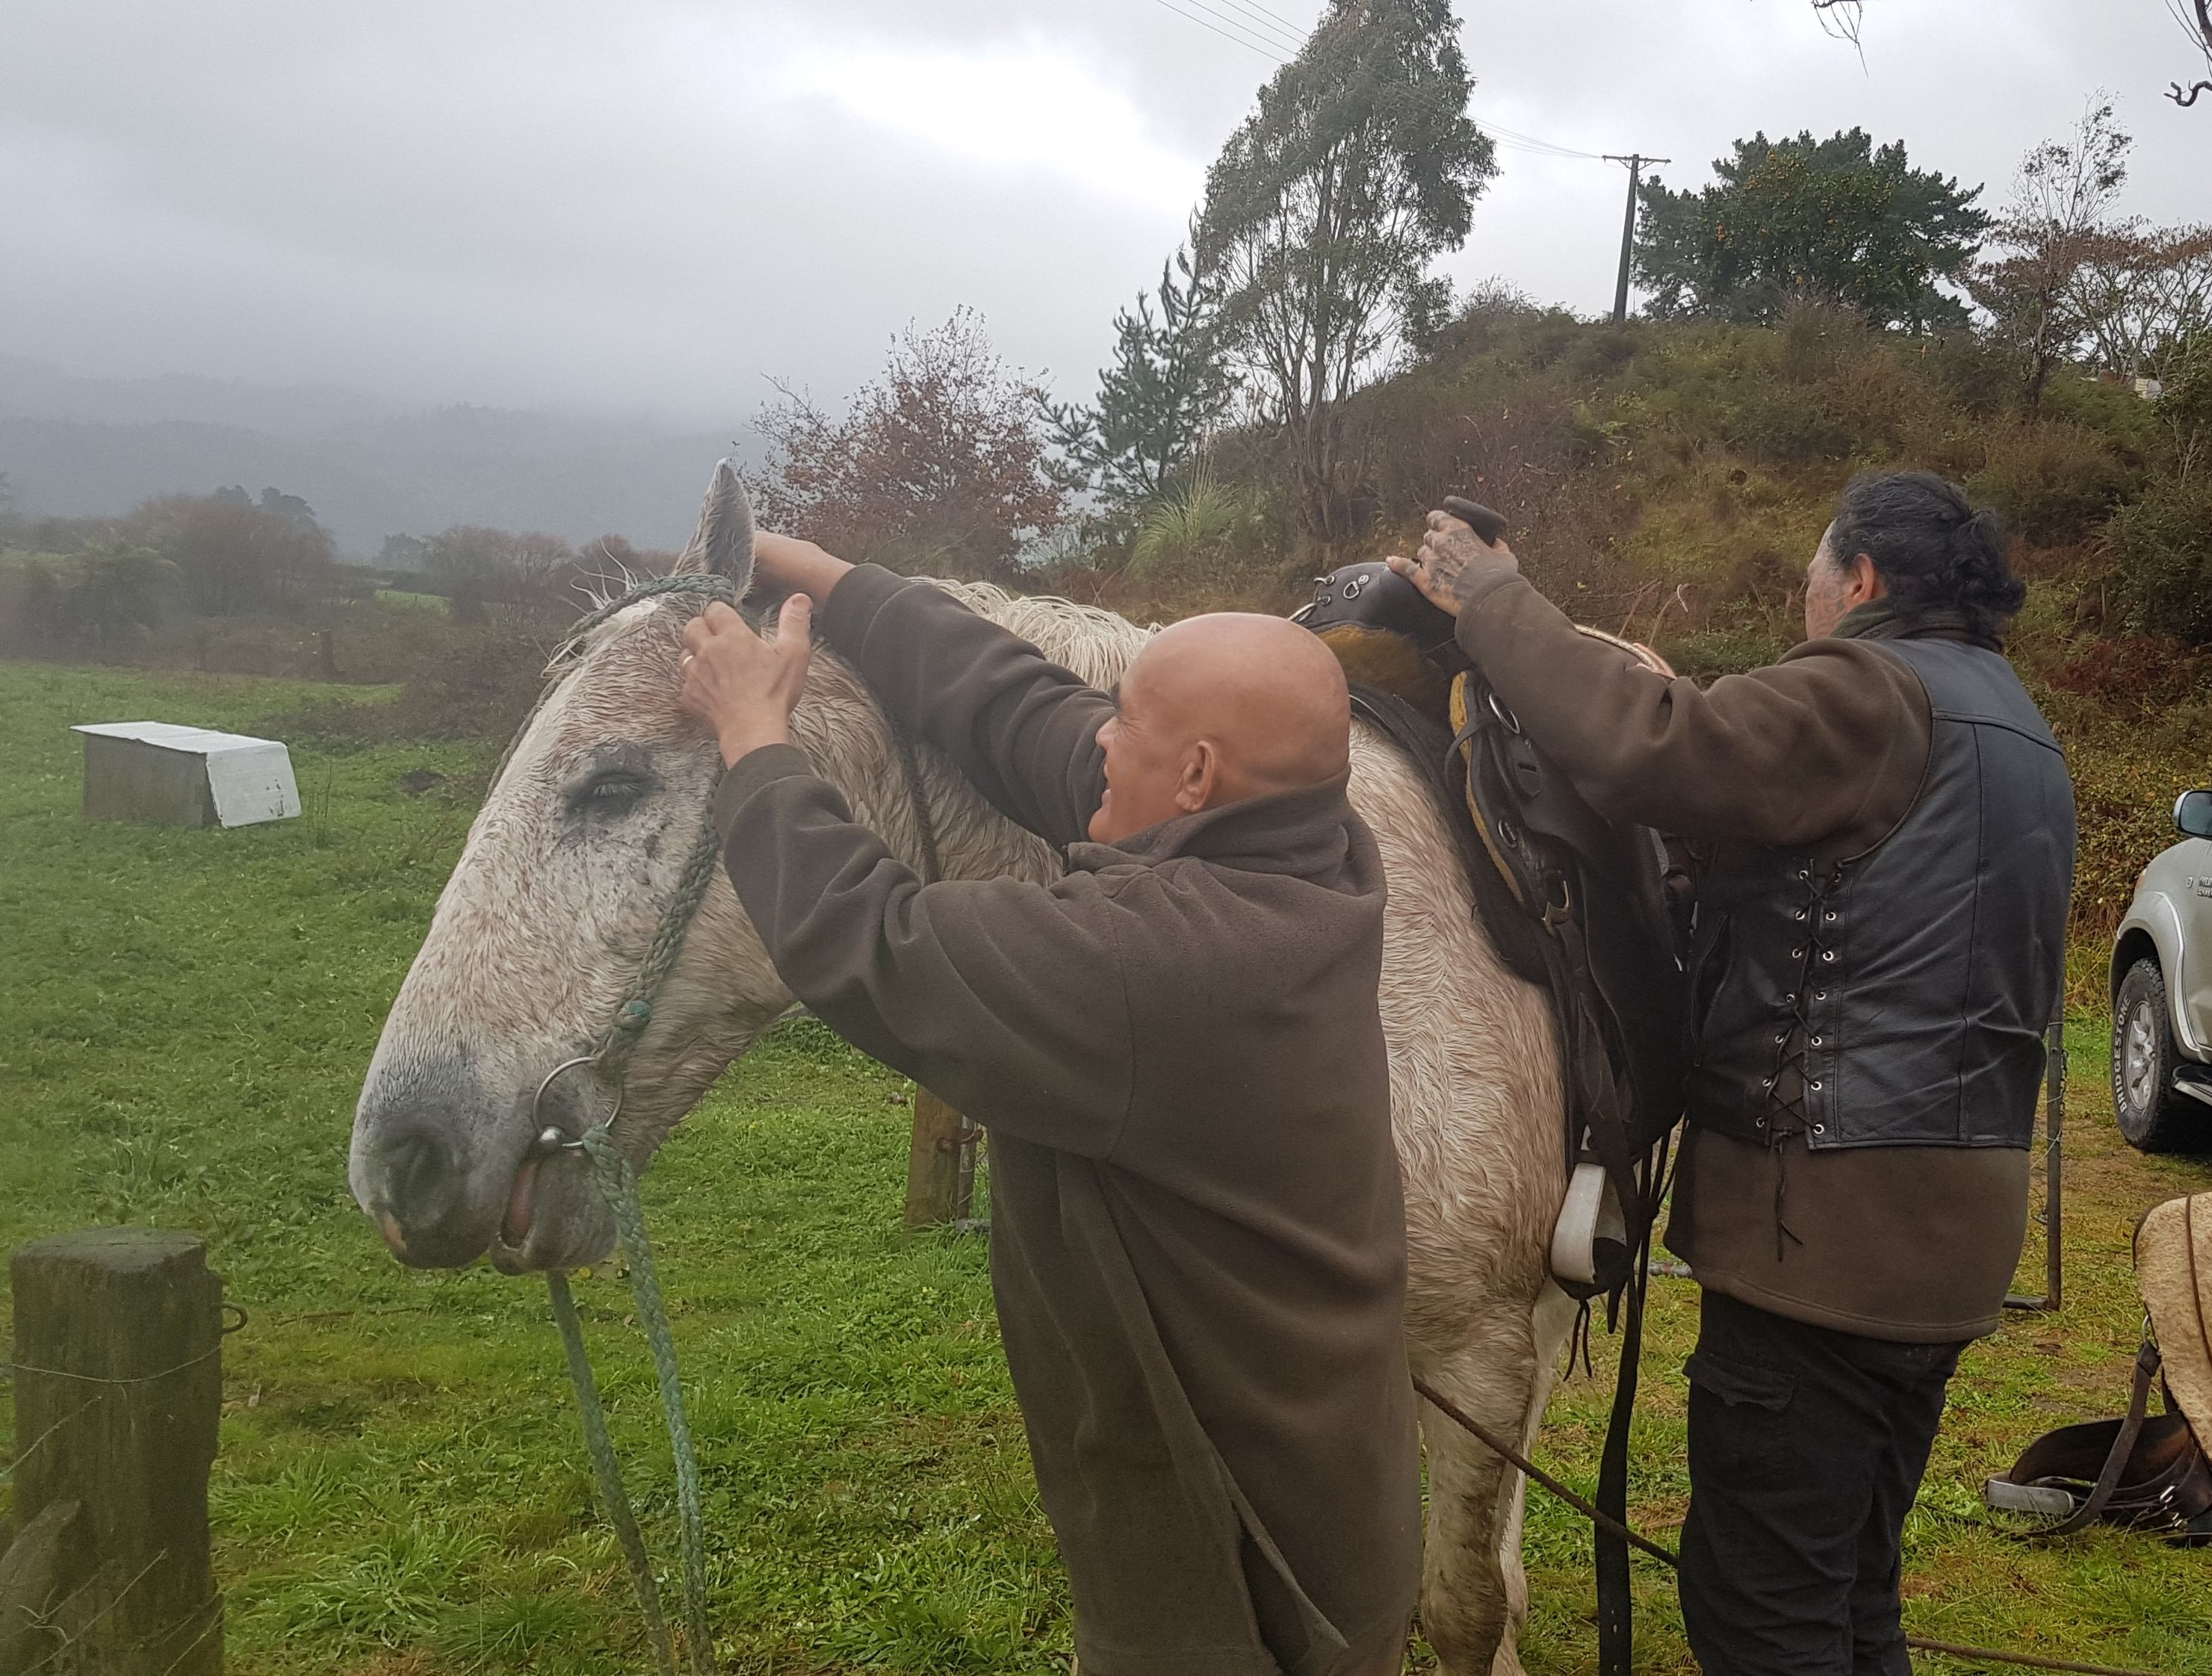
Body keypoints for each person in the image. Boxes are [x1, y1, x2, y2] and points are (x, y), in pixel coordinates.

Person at [675, 536, 1421, 1676]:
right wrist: (826, 577)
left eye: (1126, 721)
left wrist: (754, 740)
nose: (1099, 736)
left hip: (1238, 1596)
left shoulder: (1163, 970)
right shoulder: (1303, 848)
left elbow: (874, 942)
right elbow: (1018, 709)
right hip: (1331, 1506)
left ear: (1196, 778)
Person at [1390, 471, 2075, 1676]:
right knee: (1851, 1585)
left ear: (1860, 578)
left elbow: (1654, 742)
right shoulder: (2015, 720)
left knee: (1763, 1611)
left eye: (1813, 575)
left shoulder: (1868, 695)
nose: (1805, 600)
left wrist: (1491, 595)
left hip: (1825, 1244)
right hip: (1954, 1237)